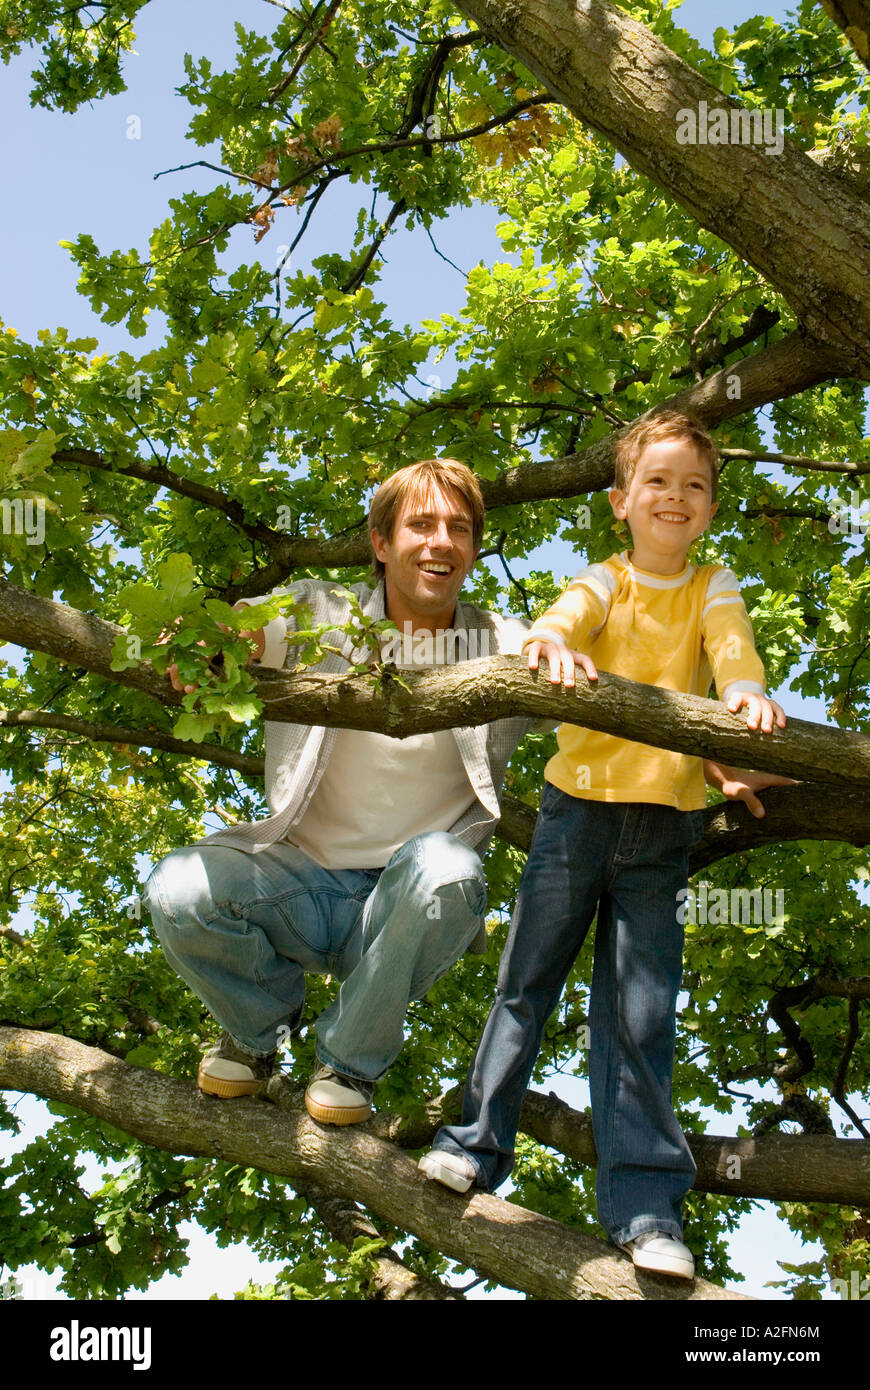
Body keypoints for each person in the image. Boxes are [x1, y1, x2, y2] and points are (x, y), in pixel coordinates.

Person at [418, 411, 787, 1282]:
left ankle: (648, 1209)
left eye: (695, 486)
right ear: (622, 500)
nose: (676, 497)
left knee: (640, 1017)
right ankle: (473, 1143)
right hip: (574, 817)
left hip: (664, 827)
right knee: (525, 983)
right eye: (657, 482)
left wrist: (744, 696)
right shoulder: (608, 579)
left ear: (710, 509)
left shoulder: (712, 584)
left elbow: (733, 652)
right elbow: (566, 616)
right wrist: (547, 639)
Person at [142, 458, 535, 1126]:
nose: (442, 541)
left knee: (446, 868)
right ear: (381, 544)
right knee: (179, 886)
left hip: (404, 910)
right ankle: (259, 1032)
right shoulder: (317, 609)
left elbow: (606, 706)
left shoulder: (502, 643)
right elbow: (245, 630)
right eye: (421, 524)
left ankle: (349, 1064)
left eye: (459, 529)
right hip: (294, 883)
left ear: (472, 548)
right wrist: (211, 642)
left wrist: (712, 758)